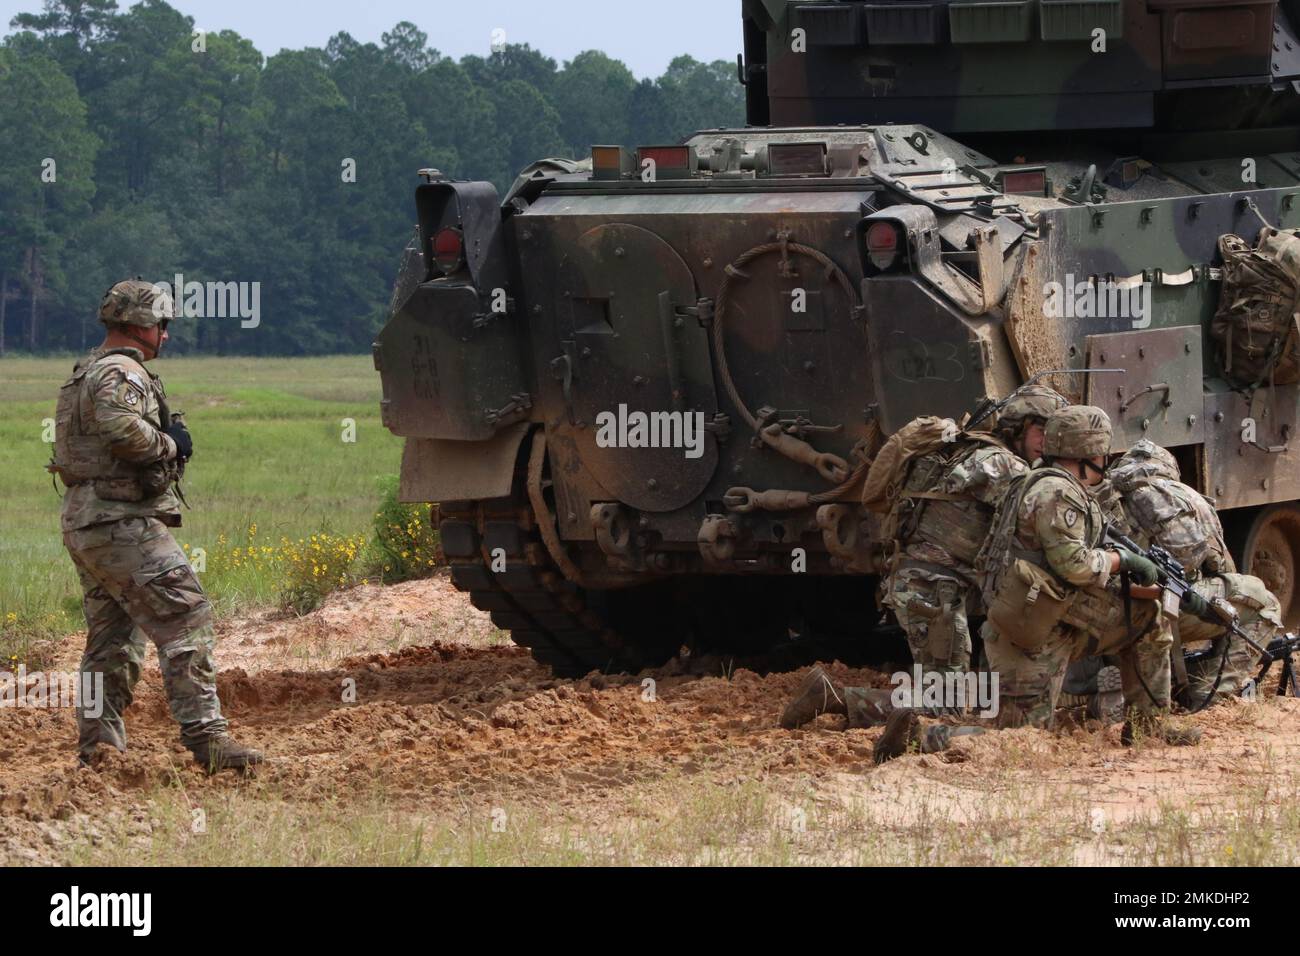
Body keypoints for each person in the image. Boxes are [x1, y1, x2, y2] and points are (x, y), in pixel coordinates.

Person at [875, 406, 1200, 761]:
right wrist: (1124, 561)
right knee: (1020, 743)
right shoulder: (1056, 493)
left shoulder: (1049, 483)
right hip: (1030, 634)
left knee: (1146, 619)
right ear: (1088, 454)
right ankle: (918, 736)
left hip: (1055, 620)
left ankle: (1147, 726)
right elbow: (1074, 565)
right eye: (1102, 454)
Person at [49, 279, 262, 773]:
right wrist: (171, 444)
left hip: (89, 522)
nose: (165, 335)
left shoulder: (86, 370)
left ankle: (100, 750)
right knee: (186, 617)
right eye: (161, 325)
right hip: (120, 520)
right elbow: (121, 427)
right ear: (139, 325)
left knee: (112, 640)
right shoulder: (121, 372)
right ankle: (207, 739)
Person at [780, 384, 1067, 731]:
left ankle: (840, 701)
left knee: (945, 697)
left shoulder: (969, 450)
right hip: (932, 591)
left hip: (925, 586)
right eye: (1041, 430)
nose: (1047, 443)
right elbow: (1039, 516)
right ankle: (834, 700)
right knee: (943, 705)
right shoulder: (1003, 466)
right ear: (1018, 427)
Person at [1107, 440, 1279, 707]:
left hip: (1104, 610)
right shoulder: (1183, 496)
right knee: (1262, 602)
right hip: (1158, 609)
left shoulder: (1101, 494)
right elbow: (1222, 567)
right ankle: (1207, 693)